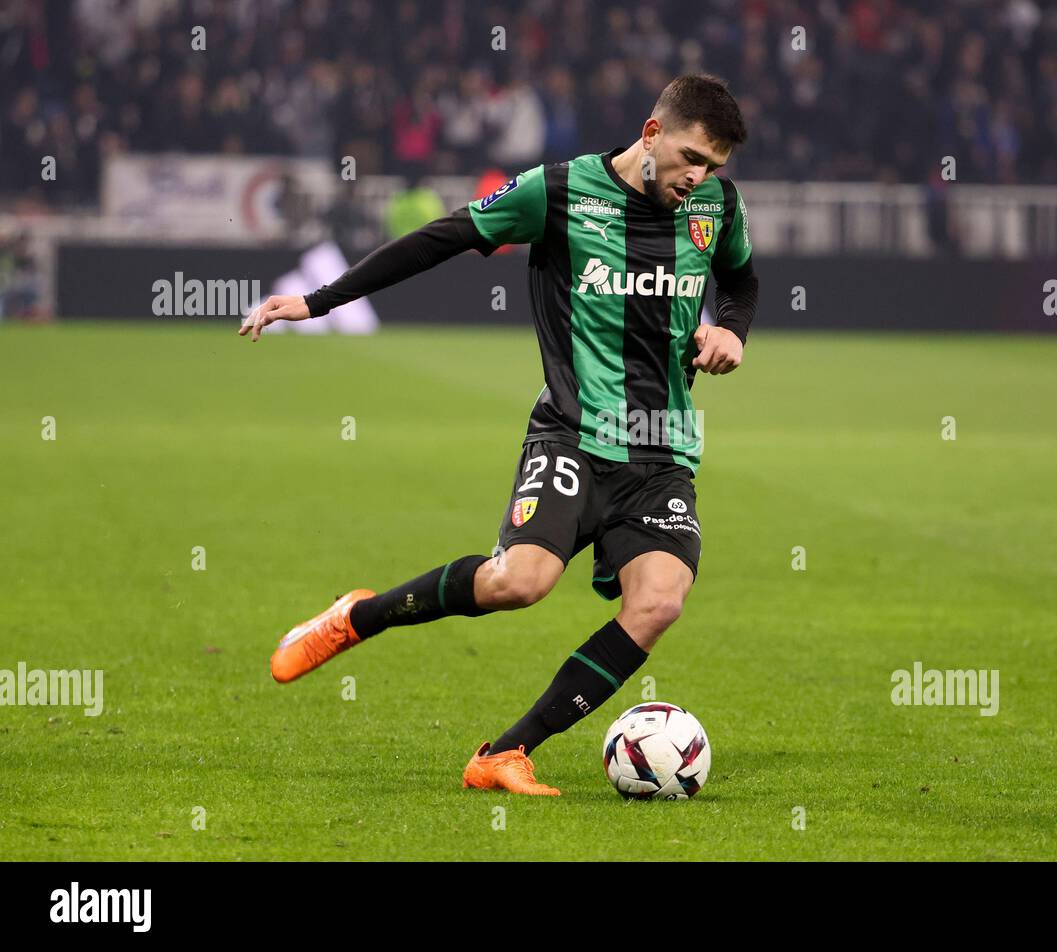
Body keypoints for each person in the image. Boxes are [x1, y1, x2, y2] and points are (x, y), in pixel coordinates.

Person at [239, 74, 758, 795]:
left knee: (659, 602)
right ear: (651, 134)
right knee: (519, 583)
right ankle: (357, 617)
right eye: (692, 158)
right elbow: (441, 238)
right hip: (574, 433)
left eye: (715, 167)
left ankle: (504, 753)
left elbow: (740, 279)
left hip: (663, 445)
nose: (699, 178)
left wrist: (730, 328)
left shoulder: (716, 206)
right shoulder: (557, 192)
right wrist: (318, 300)